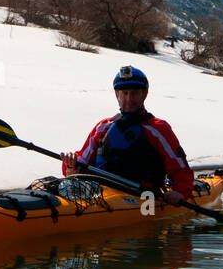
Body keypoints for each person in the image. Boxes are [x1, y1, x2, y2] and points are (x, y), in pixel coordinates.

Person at [60, 66, 194, 206]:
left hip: (143, 198)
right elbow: (82, 162)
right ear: (117, 94)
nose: (129, 99)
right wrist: (71, 166)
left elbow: (180, 168)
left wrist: (180, 192)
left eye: (134, 93)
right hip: (101, 195)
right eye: (124, 93)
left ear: (144, 94)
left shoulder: (158, 128)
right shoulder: (103, 126)